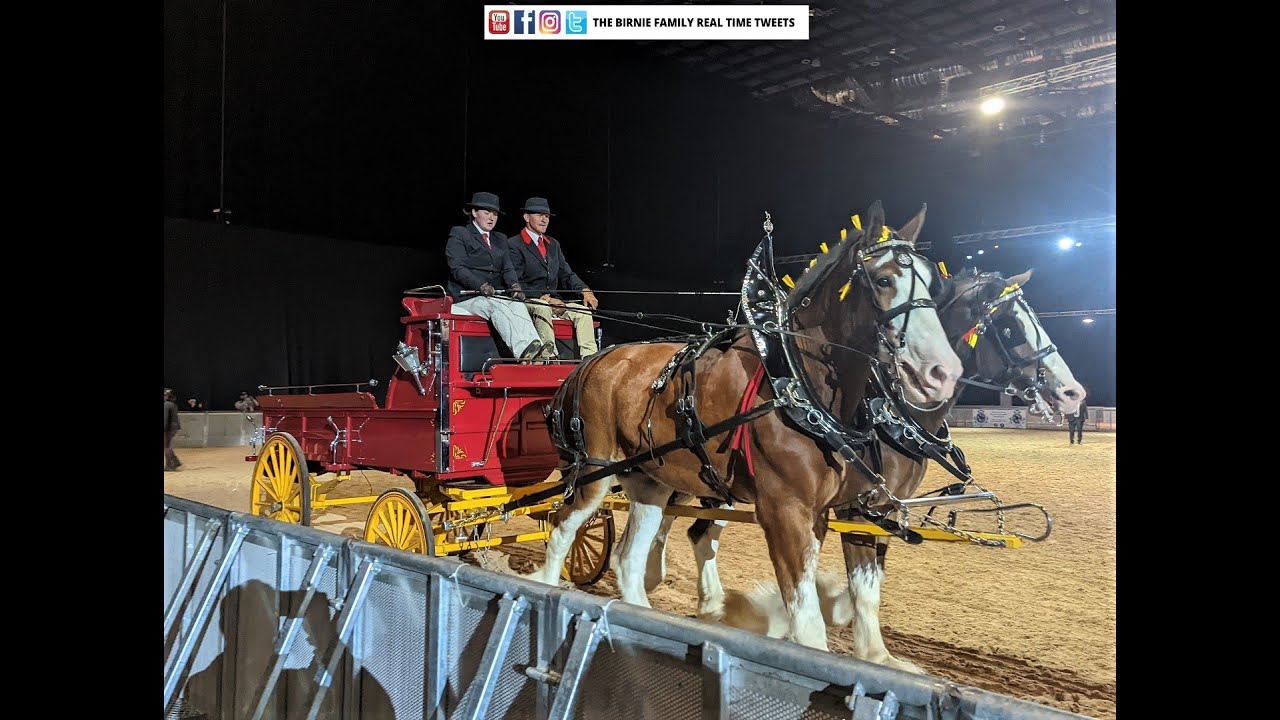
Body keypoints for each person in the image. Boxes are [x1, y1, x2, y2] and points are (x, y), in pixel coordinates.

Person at [444, 191, 552, 361]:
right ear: (474, 213)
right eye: (486, 213)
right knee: (495, 307)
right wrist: (480, 285)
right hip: (467, 297)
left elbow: (508, 268)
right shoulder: (460, 233)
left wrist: (514, 286)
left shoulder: (500, 239)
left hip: (493, 296)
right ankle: (523, 351)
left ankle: (537, 348)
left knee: (517, 305)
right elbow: (457, 268)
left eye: (494, 214)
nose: (491, 218)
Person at [507, 197, 599, 359]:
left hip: (554, 301)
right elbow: (515, 281)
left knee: (583, 311)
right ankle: (550, 358)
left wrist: (584, 290)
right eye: (539, 215)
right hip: (529, 301)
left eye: (547, 216)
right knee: (542, 306)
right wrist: (544, 298)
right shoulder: (514, 244)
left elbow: (566, 274)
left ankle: (589, 359)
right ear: (526, 217)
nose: (544, 219)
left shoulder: (553, 245)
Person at [165, 388, 183, 471]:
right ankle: (175, 462)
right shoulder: (172, 404)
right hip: (173, 428)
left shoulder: (166, 404)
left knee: (167, 447)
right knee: (168, 446)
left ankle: (169, 465)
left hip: (168, 428)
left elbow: (165, 418)